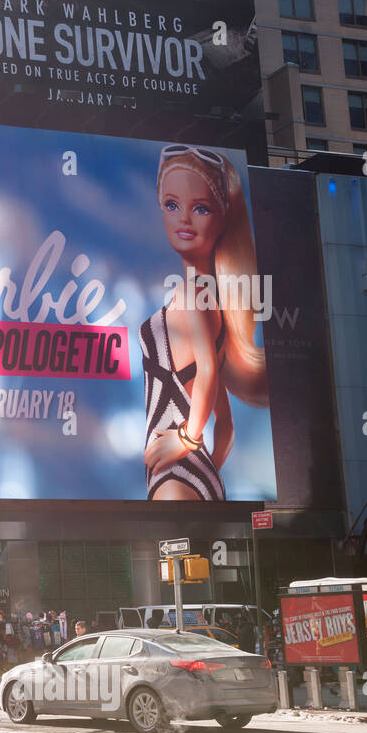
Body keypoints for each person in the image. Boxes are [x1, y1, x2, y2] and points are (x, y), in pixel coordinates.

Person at [142, 143, 267, 501]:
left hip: (176, 469)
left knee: (169, 556)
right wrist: (205, 468)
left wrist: (187, 440)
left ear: (223, 218)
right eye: (171, 205)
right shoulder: (210, 299)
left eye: (200, 208)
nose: (183, 219)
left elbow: (210, 371)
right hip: (192, 469)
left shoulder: (192, 294)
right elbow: (225, 423)